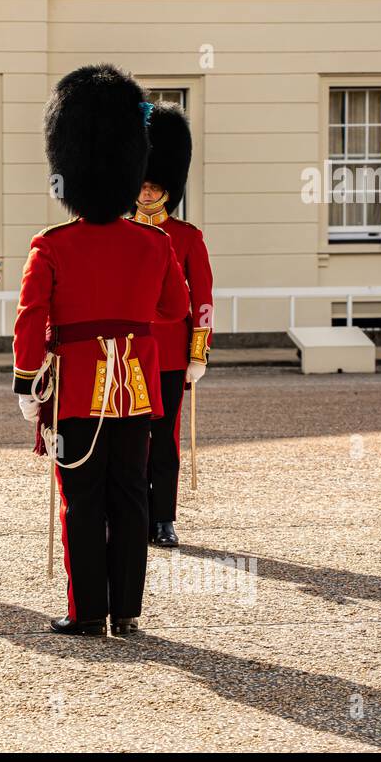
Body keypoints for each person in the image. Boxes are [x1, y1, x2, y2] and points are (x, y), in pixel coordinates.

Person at [12, 64, 189, 637]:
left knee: (82, 499)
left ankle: (87, 611)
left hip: (76, 392)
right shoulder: (154, 242)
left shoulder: (53, 244)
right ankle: (128, 612)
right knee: (131, 497)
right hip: (135, 388)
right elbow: (174, 309)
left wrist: (24, 382)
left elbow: (30, 318)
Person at [131, 102, 213, 549]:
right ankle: (132, 514)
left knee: (163, 441)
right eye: (141, 186)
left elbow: (202, 300)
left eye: (153, 186)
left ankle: (164, 517)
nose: (145, 193)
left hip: (168, 354)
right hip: (125, 352)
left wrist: (197, 352)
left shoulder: (187, 237)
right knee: (127, 441)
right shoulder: (120, 234)